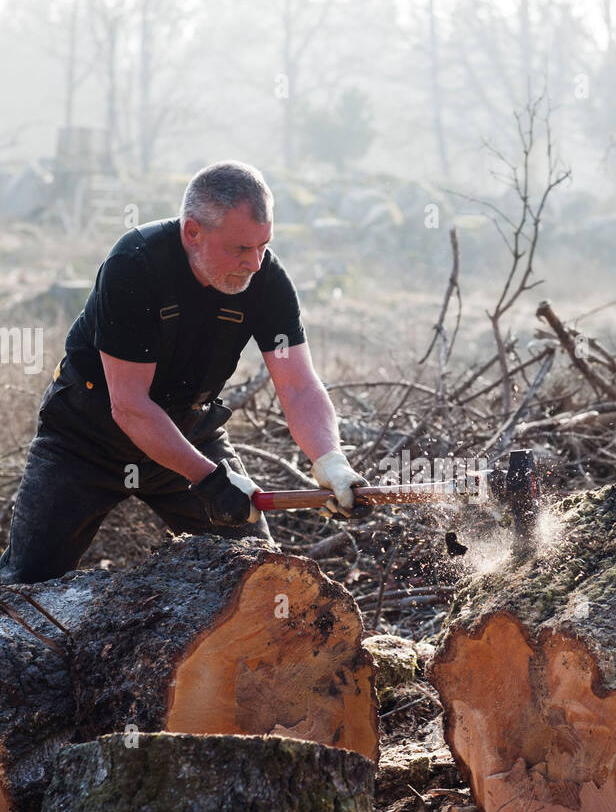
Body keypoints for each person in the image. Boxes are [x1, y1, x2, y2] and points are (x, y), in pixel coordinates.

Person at [0, 160, 366, 583]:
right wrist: (211, 480)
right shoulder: (134, 265)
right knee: (27, 581)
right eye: (239, 249)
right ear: (193, 231)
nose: (254, 262)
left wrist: (330, 459)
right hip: (86, 439)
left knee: (256, 575)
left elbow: (299, 386)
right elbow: (132, 407)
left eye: (263, 245)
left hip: (190, 430)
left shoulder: (267, 279)